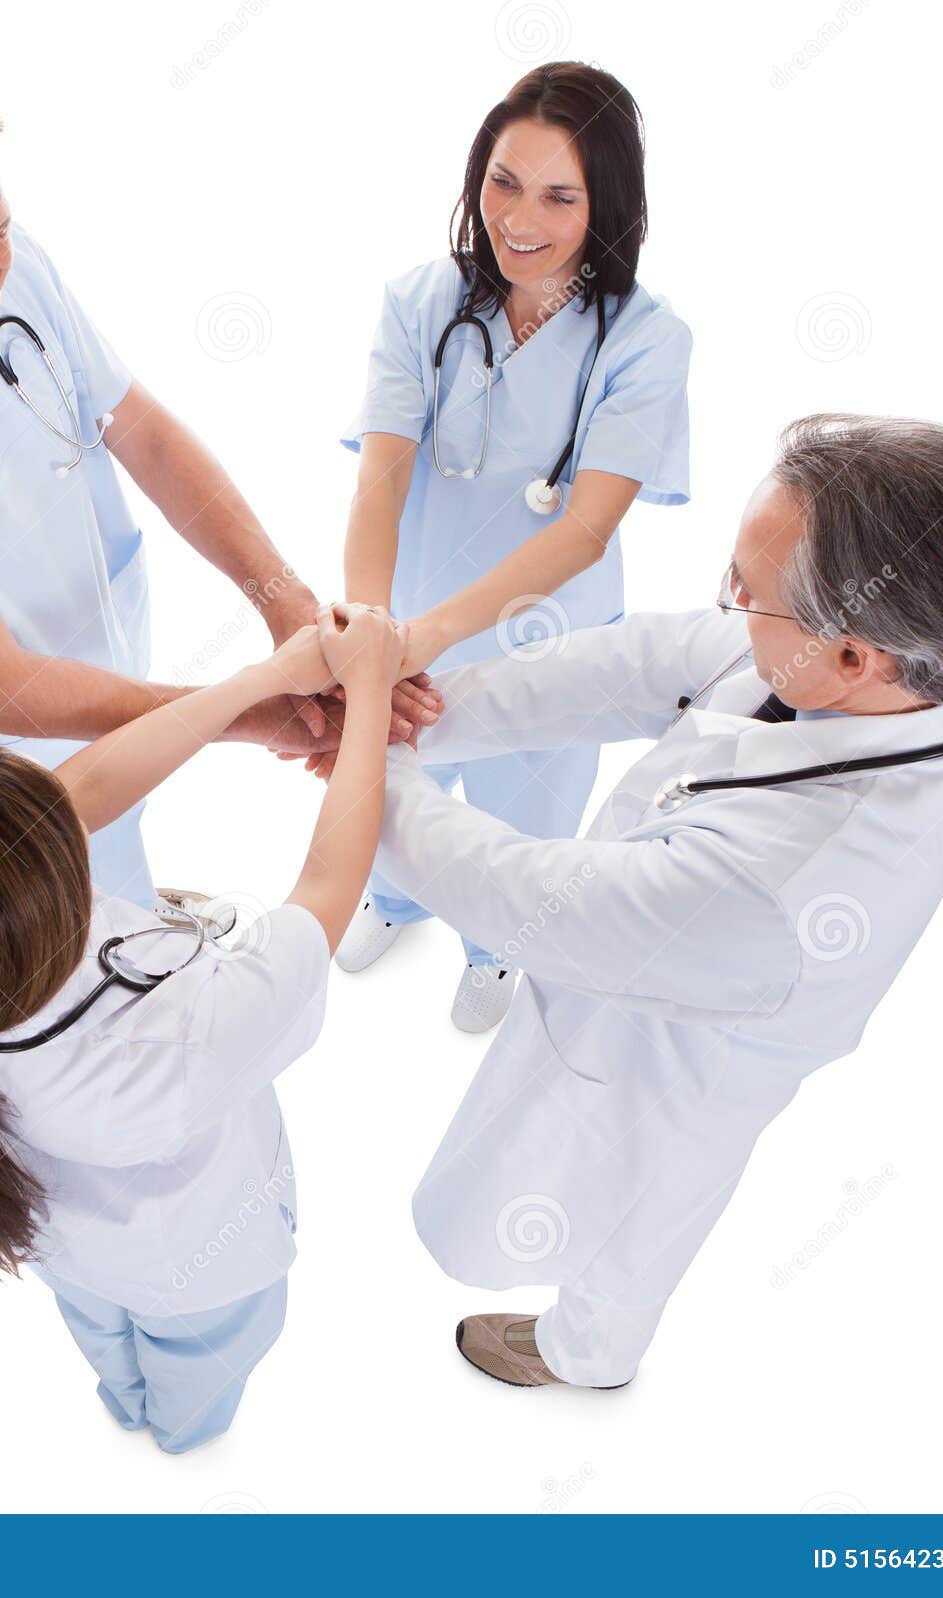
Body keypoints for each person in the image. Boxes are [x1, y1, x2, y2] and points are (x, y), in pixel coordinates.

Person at [365, 415, 943, 1389]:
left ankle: (587, 1353)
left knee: (652, 1196)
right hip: (678, 955)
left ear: (853, 659)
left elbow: (522, 895)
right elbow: (637, 662)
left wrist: (367, 762)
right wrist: (423, 709)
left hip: (703, 1045)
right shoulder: (901, 665)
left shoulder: (782, 885)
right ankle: (595, 1341)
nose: (727, 604)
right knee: (647, 1185)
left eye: (749, 595)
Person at [0, 34, 436, 914]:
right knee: (52, 926)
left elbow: (136, 427)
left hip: (107, 657)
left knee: (118, 856)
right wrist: (245, 711)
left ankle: (137, 903)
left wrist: (282, 601)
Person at [0, 604, 406, 1452]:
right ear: (59, 874)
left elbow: (92, 787)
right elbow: (329, 881)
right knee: (199, 1364)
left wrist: (261, 684)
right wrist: (371, 692)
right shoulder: (186, 1041)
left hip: (67, 1247)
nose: (70, 795)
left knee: (99, 1326)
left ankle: (121, 1393)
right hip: (198, 1269)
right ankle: (180, 1432)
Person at [329, 61, 692, 1031]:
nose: (518, 217)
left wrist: (431, 634)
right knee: (400, 793)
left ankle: (496, 951)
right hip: (408, 613)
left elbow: (583, 528)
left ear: (605, 201)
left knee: (526, 820)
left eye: (558, 195)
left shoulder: (645, 341)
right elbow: (382, 475)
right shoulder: (419, 303)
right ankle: (397, 901)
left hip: (547, 635)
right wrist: (370, 622)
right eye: (503, 181)